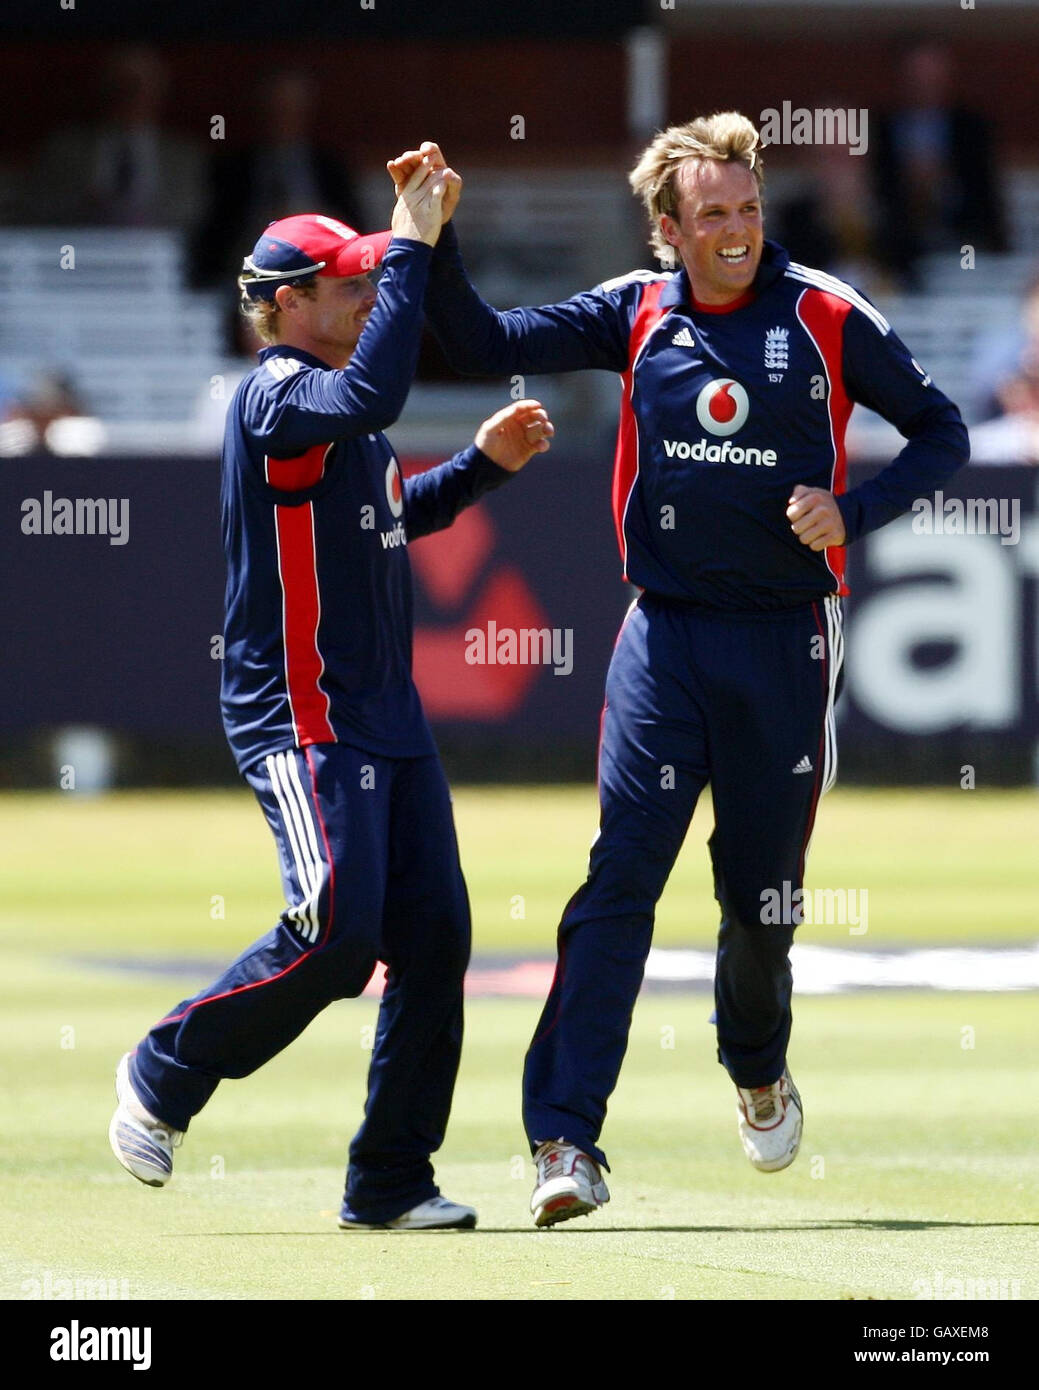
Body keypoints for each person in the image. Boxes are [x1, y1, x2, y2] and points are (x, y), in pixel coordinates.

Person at [394, 116, 970, 1227]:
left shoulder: (823, 315)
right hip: (664, 637)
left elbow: (940, 430)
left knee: (759, 903)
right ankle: (563, 1140)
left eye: (748, 210)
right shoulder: (636, 308)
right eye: (712, 214)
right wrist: (429, 235)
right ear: (667, 229)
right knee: (618, 883)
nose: (737, 231)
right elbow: (476, 336)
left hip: (787, 642)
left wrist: (851, 512)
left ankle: (755, 1062)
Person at [108, 156, 555, 1231]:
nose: (364, 296)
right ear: (285, 304)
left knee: (435, 943)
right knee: (334, 934)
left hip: (381, 718)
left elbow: (391, 523)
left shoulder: (335, 414)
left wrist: (482, 468)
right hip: (301, 714)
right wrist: (410, 245)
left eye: (366, 280)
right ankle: (163, 1068)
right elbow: (377, 389)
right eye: (346, 283)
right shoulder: (277, 394)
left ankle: (390, 1179)